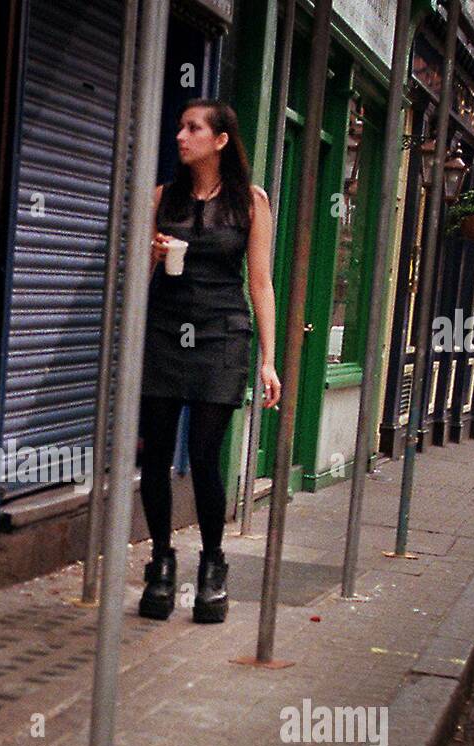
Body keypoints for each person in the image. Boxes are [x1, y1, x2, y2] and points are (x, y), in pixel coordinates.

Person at [136, 100, 280, 625]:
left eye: (193, 128)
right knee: (153, 454)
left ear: (220, 140)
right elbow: (135, 284)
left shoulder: (250, 203)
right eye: (180, 126)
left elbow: (260, 283)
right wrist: (150, 257)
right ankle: (160, 563)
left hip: (222, 336)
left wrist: (269, 359)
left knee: (203, 454)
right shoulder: (161, 198)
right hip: (163, 333)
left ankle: (213, 567)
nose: (181, 135)